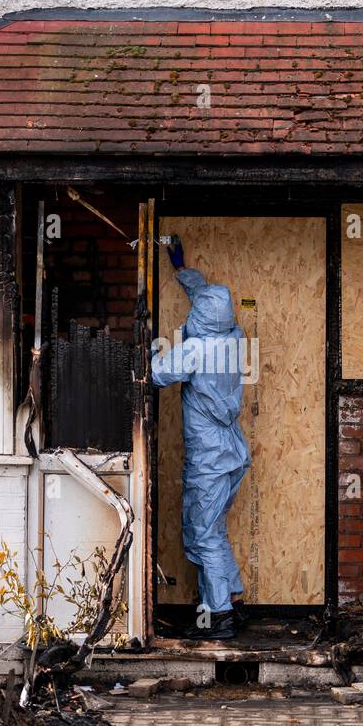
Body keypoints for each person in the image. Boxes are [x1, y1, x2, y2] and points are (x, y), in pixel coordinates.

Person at [152, 239, 250, 640]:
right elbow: (206, 302)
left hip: (209, 458)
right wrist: (181, 268)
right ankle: (233, 597)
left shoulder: (194, 350)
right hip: (232, 453)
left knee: (202, 533)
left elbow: (158, 373)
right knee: (215, 529)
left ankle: (219, 616)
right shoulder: (233, 337)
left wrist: (146, 350)